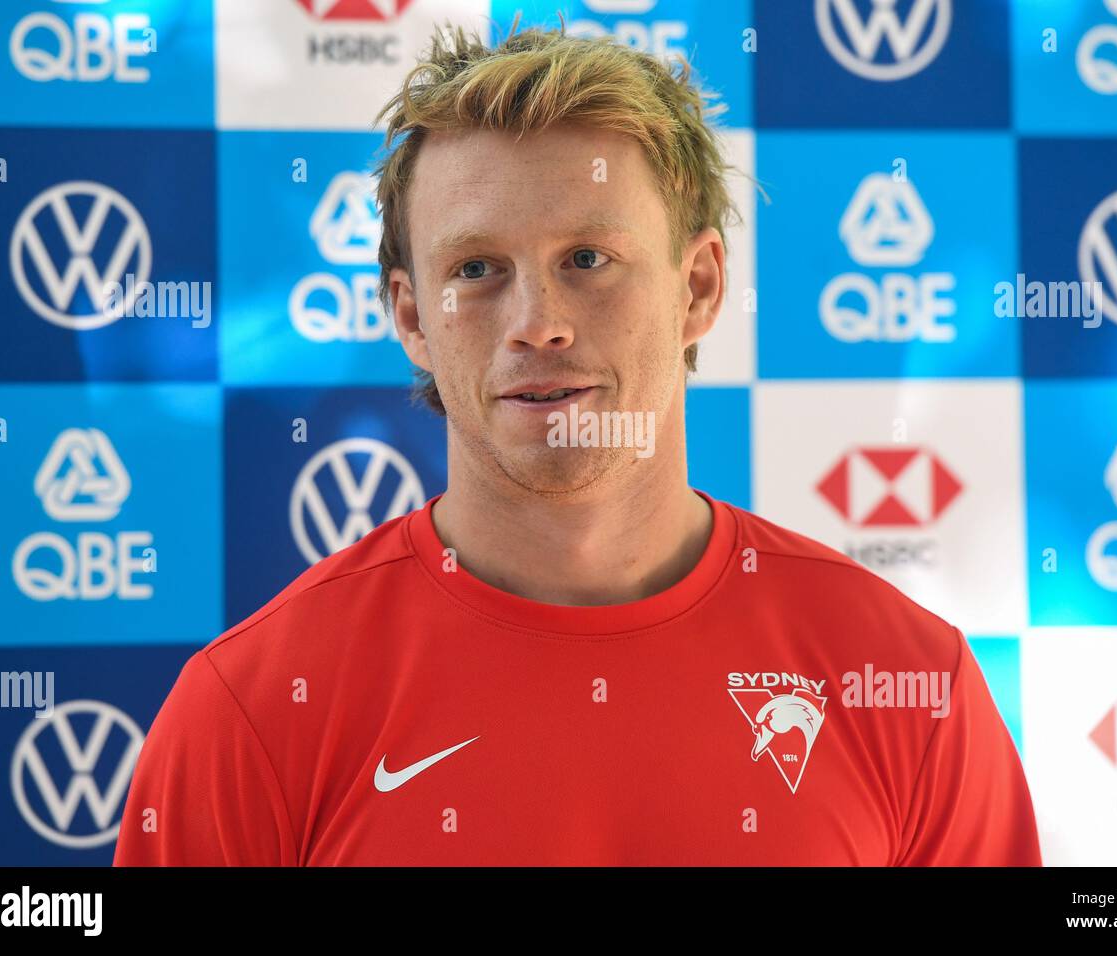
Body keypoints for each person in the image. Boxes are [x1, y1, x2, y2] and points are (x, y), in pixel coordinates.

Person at [113, 18, 1040, 866]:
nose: (538, 322)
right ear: (410, 316)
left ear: (701, 286)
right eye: (476, 270)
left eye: (587, 259)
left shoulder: (910, 686)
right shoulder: (254, 709)